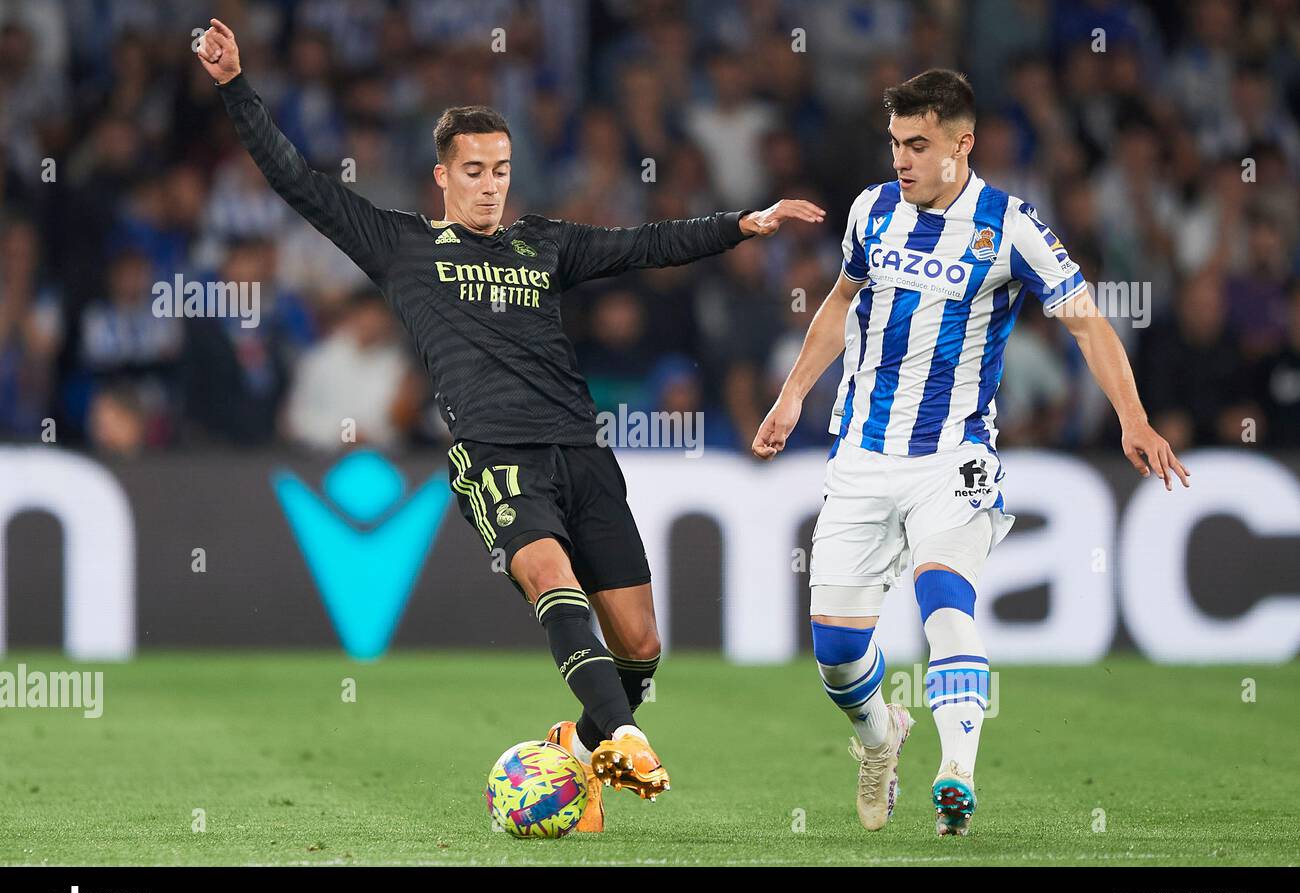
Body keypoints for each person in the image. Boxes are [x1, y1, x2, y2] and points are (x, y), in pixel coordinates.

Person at [196, 18, 824, 833]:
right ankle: (623, 738)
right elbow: (296, 181)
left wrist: (740, 223)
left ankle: (578, 741)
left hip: (581, 451)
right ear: (442, 177)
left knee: (640, 644)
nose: (492, 185)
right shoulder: (400, 246)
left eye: (501, 170)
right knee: (549, 579)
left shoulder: (544, 244)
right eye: (475, 172)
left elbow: (643, 244)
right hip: (495, 454)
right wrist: (235, 87)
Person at [753, 69, 1188, 837]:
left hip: (953, 454)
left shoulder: (1009, 223)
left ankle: (957, 771)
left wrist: (1134, 417)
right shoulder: (872, 210)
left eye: (918, 145)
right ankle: (883, 741)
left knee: (944, 595)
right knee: (836, 656)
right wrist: (792, 395)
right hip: (859, 453)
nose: (901, 160)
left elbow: (1086, 321)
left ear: (964, 142)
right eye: (894, 144)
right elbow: (843, 301)